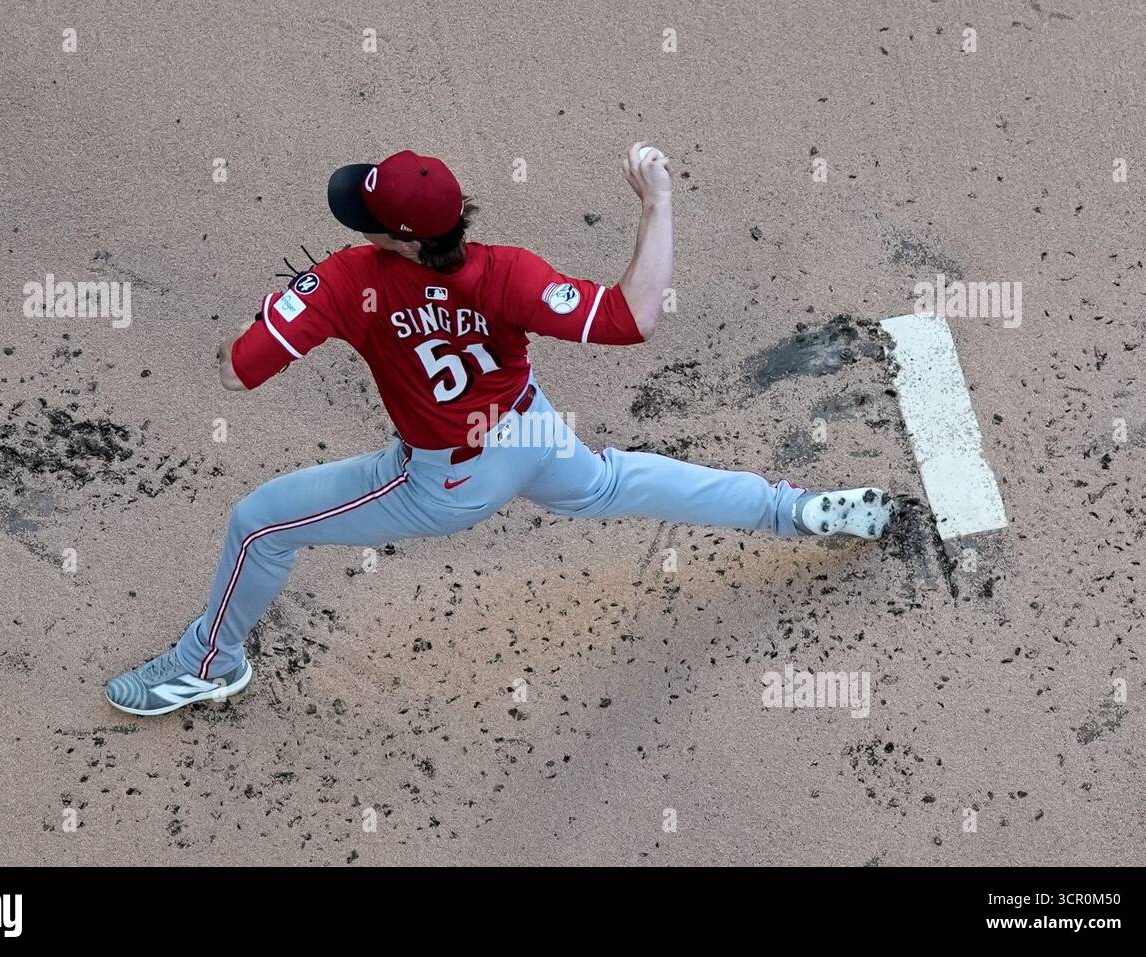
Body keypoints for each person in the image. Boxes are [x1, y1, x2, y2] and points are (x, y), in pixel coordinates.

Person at [104, 143, 894, 716]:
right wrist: (657, 206)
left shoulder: (347, 282)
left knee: (258, 524)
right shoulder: (509, 270)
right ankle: (790, 509)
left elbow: (237, 369)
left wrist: (275, 309)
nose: (362, 226)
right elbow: (634, 316)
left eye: (372, 220)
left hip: (445, 482)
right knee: (622, 479)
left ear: (404, 238)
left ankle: (209, 663)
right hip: (532, 435)